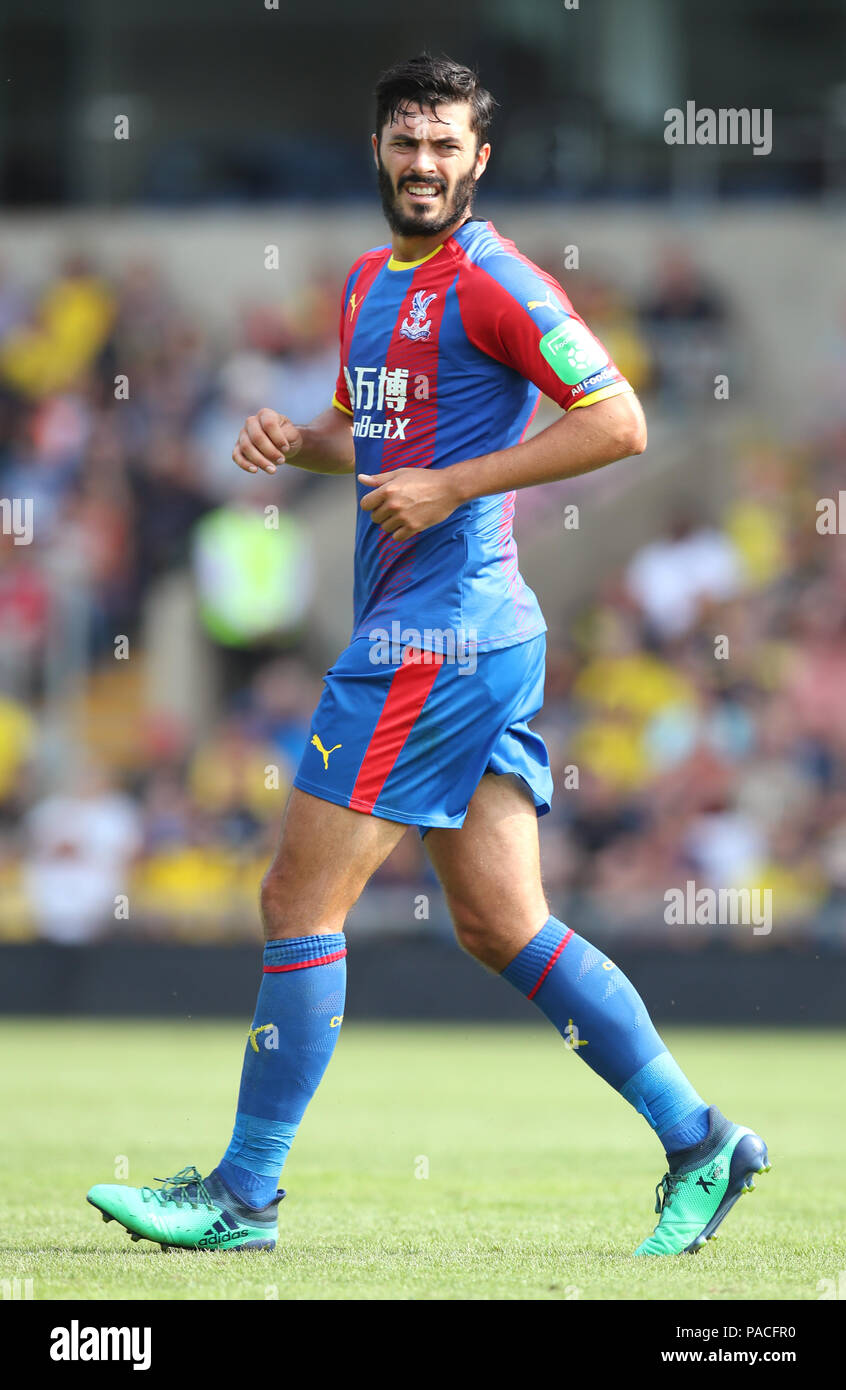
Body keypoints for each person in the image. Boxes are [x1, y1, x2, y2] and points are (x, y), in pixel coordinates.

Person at [87, 53, 769, 1257]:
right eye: (408, 142)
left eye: (446, 144)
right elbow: (374, 447)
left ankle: (243, 1197)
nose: (424, 163)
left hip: (438, 634)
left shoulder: (497, 279)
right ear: (381, 150)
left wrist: (454, 482)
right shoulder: (364, 284)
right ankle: (701, 1137)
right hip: (457, 633)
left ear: (479, 159)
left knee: (298, 896)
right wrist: (295, 440)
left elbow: (621, 419)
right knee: (504, 924)